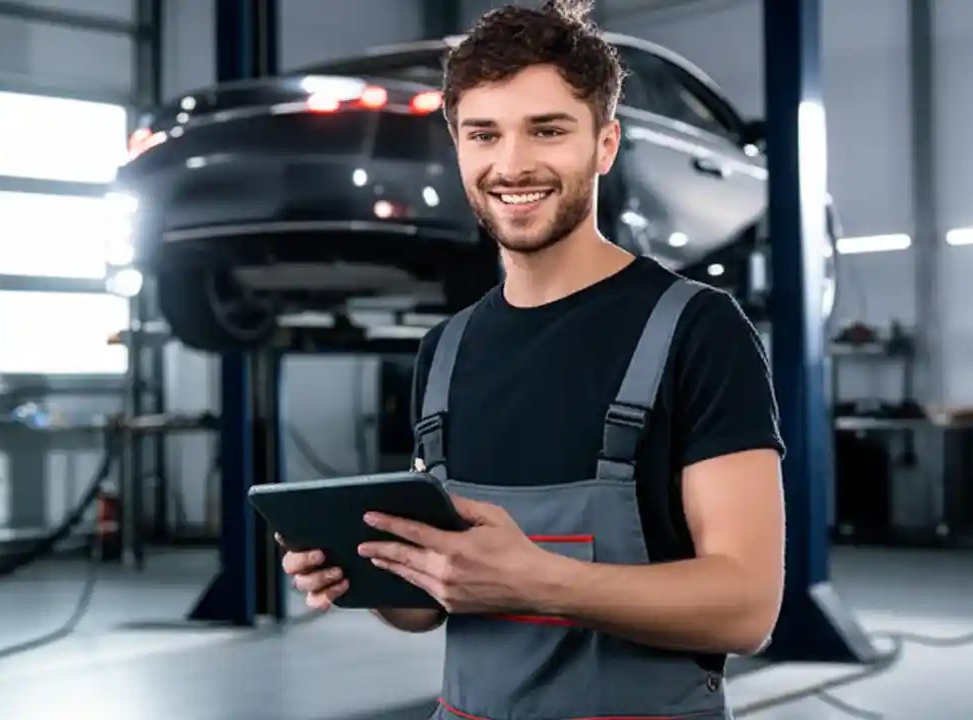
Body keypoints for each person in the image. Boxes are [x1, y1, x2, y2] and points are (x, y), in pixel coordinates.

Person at [281, 1, 785, 716]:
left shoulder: (698, 331)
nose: (512, 164)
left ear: (605, 145)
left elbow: (745, 607)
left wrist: (539, 581)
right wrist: (364, 574)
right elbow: (435, 607)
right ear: (458, 145)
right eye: (484, 134)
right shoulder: (446, 352)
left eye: (547, 131)